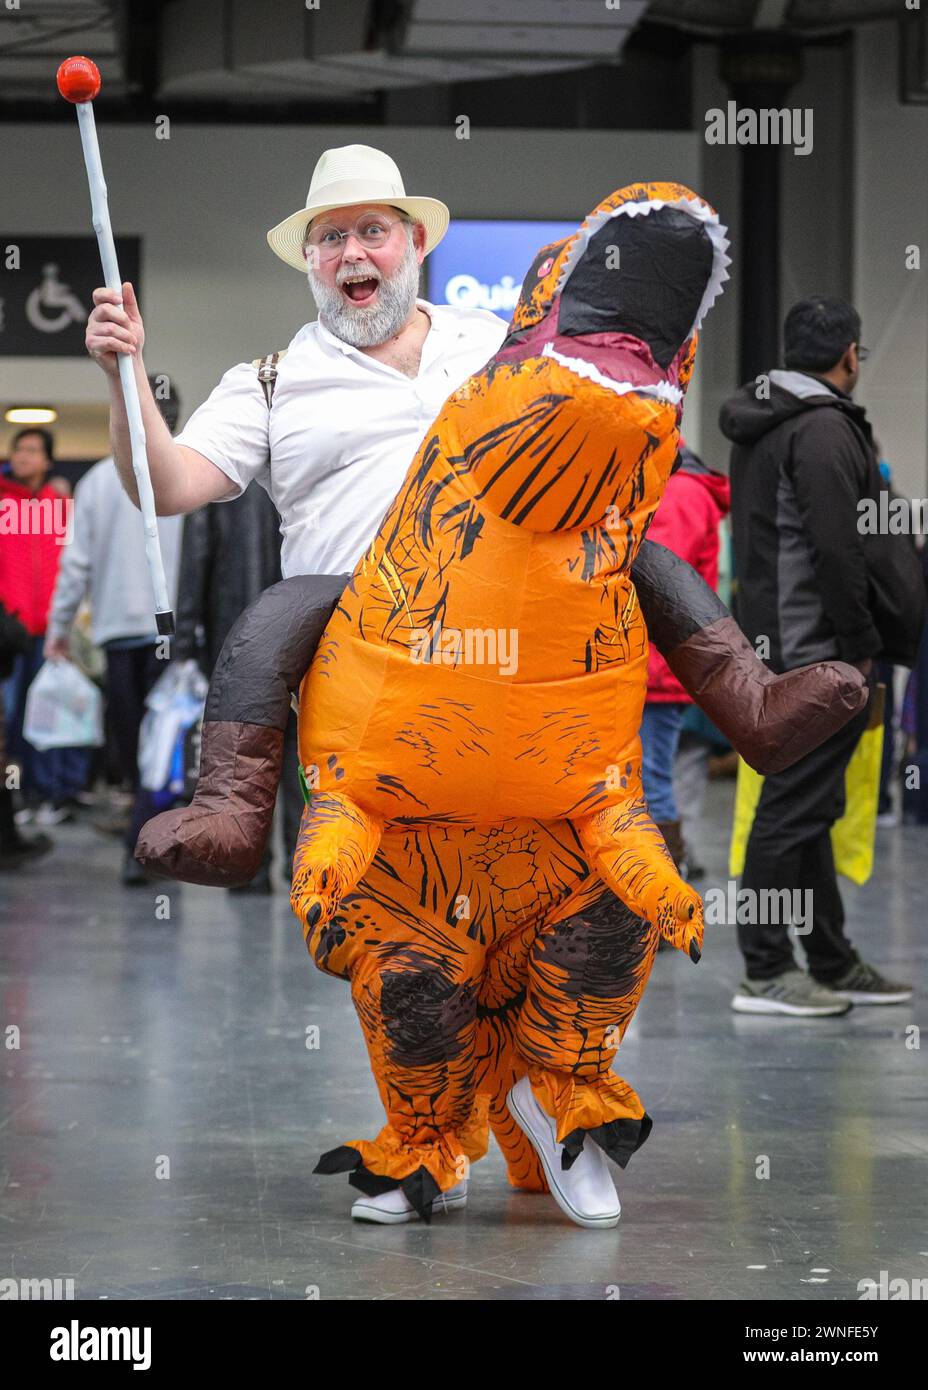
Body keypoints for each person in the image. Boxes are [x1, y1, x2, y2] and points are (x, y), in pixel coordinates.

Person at [721, 296, 924, 1017]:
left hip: (777, 647)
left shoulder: (765, 424)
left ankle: (830, 959)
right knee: (790, 811)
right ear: (848, 356)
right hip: (819, 656)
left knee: (810, 807)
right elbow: (843, 551)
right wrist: (864, 648)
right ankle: (768, 969)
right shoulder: (824, 431)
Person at [44, 382, 184, 885]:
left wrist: (58, 630)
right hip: (171, 635)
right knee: (161, 744)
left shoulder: (99, 481)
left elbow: (75, 564)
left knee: (133, 745)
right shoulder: (187, 472)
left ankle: (142, 841)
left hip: (117, 634)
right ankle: (150, 840)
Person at [172, 485, 300, 891]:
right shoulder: (305, 466)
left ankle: (250, 867)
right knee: (304, 753)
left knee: (245, 757)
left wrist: (183, 642)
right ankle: (305, 867)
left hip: (236, 637)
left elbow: (195, 563)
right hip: (306, 631)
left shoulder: (219, 481)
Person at [640, 440, 730, 871]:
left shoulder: (676, 492)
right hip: (661, 665)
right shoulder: (680, 486)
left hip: (654, 666)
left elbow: (653, 578)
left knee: (650, 784)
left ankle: (659, 904)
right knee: (654, 779)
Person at [1, 427, 91, 824]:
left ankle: (52, 793)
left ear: (47, 460)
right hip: (8, 631)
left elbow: (77, 563)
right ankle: (16, 797)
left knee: (50, 714)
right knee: (10, 715)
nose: (23, 456)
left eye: (32, 450)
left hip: (53, 630)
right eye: (18, 449)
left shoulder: (62, 505)